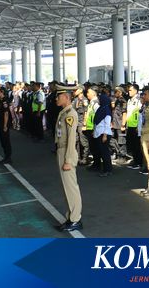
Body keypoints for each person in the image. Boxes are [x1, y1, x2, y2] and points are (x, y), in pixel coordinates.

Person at [54, 84, 83, 232]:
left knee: (71, 187)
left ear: (66, 97)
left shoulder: (70, 114)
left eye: (58, 96)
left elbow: (72, 139)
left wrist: (68, 160)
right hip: (62, 151)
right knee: (67, 188)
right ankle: (70, 217)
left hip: (67, 152)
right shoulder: (64, 112)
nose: (56, 99)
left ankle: (76, 219)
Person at [92, 93, 113, 177]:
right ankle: (105, 169)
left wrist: (104, 135)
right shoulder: (101, 108)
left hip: (104, 134)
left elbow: (107, 124)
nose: (99, 100)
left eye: (100, 99)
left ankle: (107, 170)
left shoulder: (106, 110)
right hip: (99, 133)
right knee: (102, 152)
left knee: (105, 153)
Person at [124, 84, 143, 170]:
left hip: (136, 126)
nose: (129, 92)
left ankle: (139, 162)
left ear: (136, 91)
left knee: (137, 145)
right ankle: (135, 160)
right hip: (130, 125)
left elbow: (140, 114)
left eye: (131, 90)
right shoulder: (129, 100)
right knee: (132, 145)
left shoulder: (139, 100)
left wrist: (138, 127)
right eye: (129, 90)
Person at [73, 87, 90, 165]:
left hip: (81, 123)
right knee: (76, 141)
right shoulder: (75, 99)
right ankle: (78, 158)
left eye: (76, 90)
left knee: (83, 142)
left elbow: (86, 113)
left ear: (80, 90)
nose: (74, 91)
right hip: (75, 123)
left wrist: (84, 123)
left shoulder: (84, 100)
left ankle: (85, 158)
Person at [0, 88, 12, 164]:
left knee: (5, 140)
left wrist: (5, 125)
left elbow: (6, 114)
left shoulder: (5, 101)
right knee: (2, 141)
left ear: (2, 92)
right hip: (0, 123)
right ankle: (6, 156)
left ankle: (8, 157)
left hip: (3, 124)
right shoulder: (1, 100)